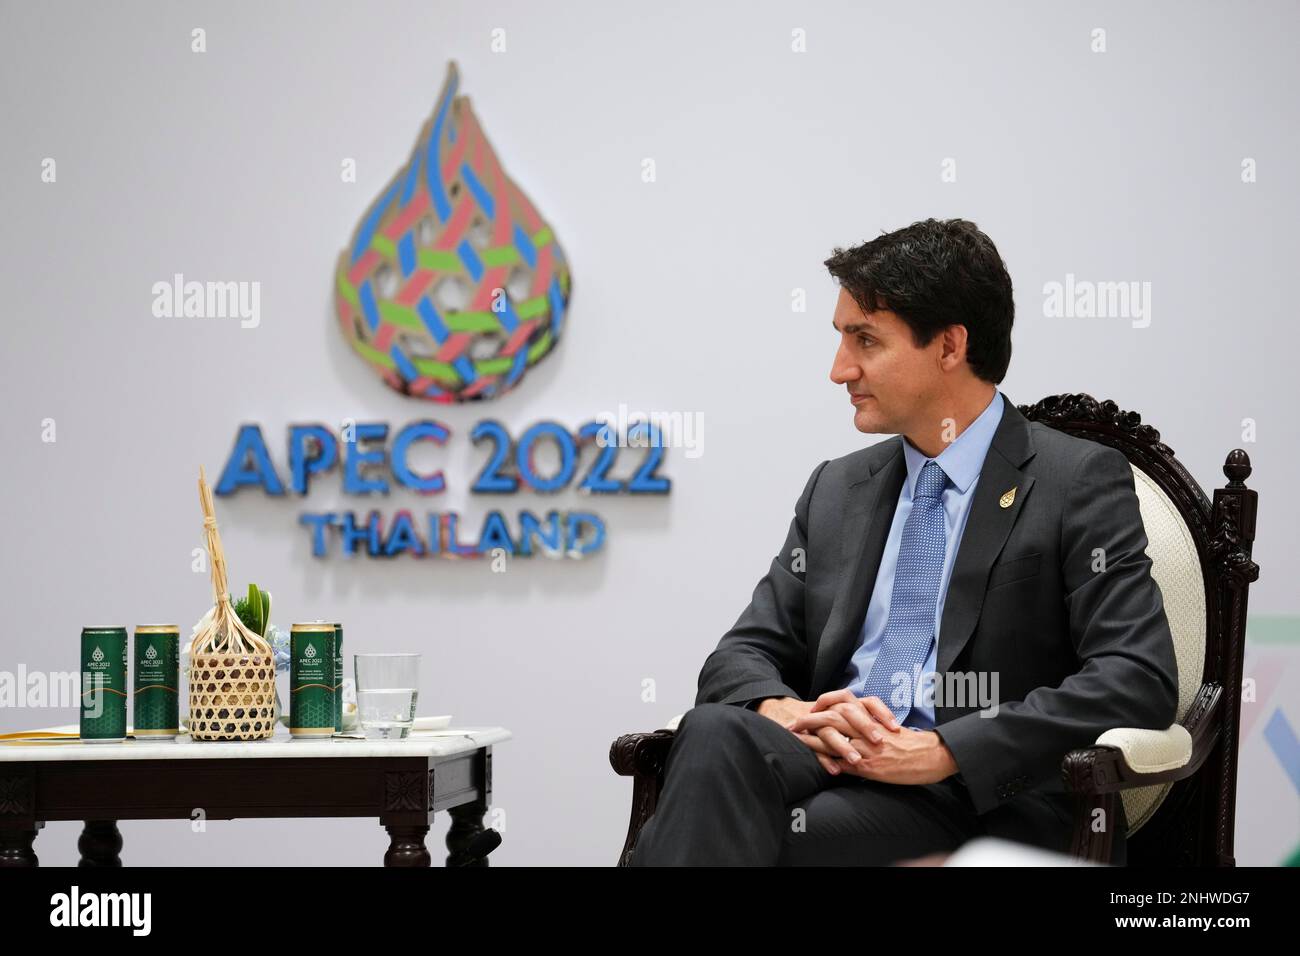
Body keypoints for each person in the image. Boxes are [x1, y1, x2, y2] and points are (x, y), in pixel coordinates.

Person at [629, 218, 1179, 866]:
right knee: (716, 730)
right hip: (833, 759)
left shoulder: (1076, 481)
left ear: (949, 346)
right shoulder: (838, 488)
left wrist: (946, 750)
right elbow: (741, 654)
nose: (839, 369)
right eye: (840, 338)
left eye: (865, 340)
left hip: (974, 793)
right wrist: (787, 712)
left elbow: (1136, 678)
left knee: (726, 835)